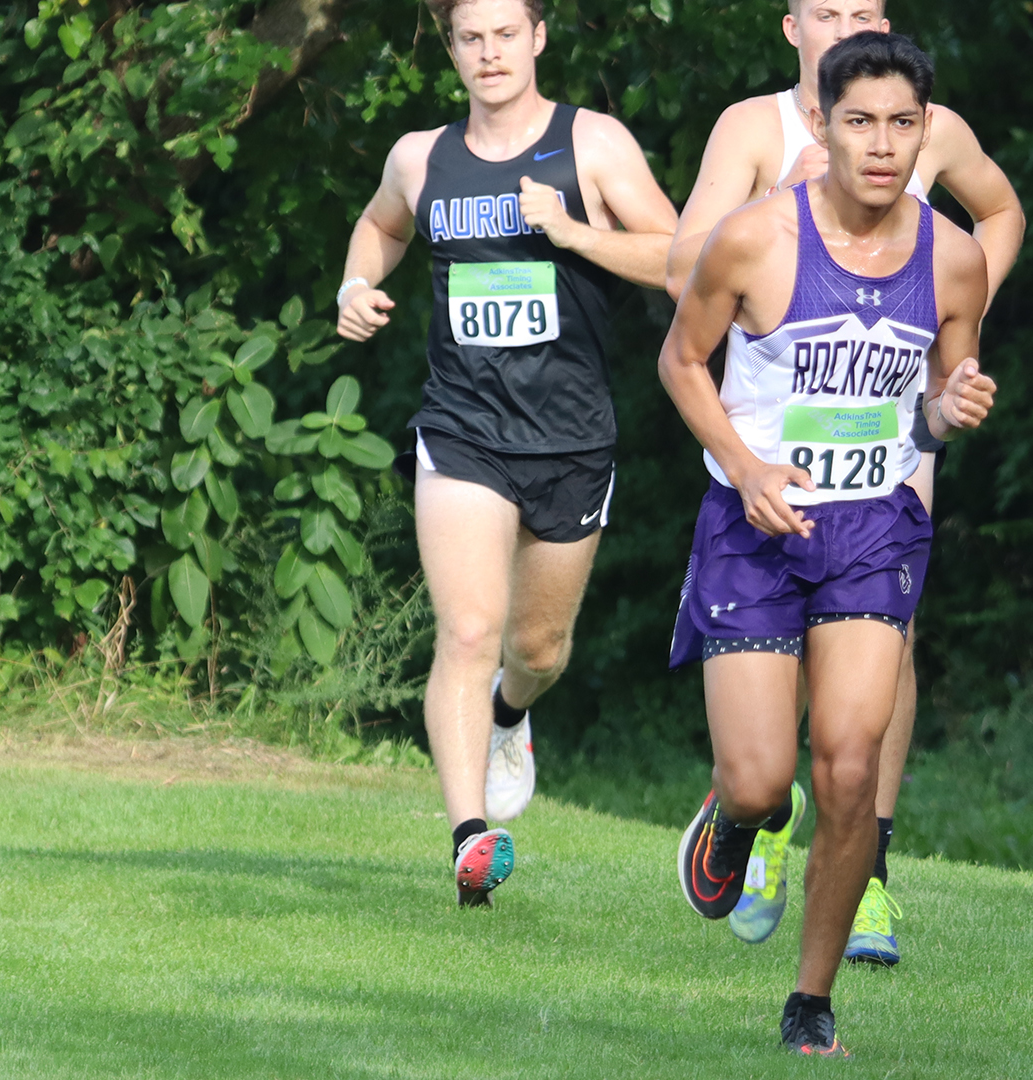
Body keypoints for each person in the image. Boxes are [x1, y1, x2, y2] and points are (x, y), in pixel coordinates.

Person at [665, 0, 1024, 965]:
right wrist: (743, 469)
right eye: (859, 122)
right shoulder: (753, 239)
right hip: (756, 523)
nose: (882, 144)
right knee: (760, 779)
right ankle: (737, 819)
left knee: (853, 768)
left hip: (873, 524)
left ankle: (811, 999)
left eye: (902, 124)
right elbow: (679, 363)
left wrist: (951, 412)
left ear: (924, 133)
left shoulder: (953, 260)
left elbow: (935, 403)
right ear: (820, 127)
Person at [334, 0, 677, 906]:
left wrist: (572, 233)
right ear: (451, 49)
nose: (488, 54)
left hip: (571, 438)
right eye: (469, 38)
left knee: (537, 645)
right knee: (471, 629)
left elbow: (686, 255)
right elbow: (381, 226)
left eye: (504, 35)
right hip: (462, 427)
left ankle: (510, 718)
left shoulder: (592, 144)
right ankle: (468, 838)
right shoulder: (420, 157)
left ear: (538, 38)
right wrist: (355, 283)